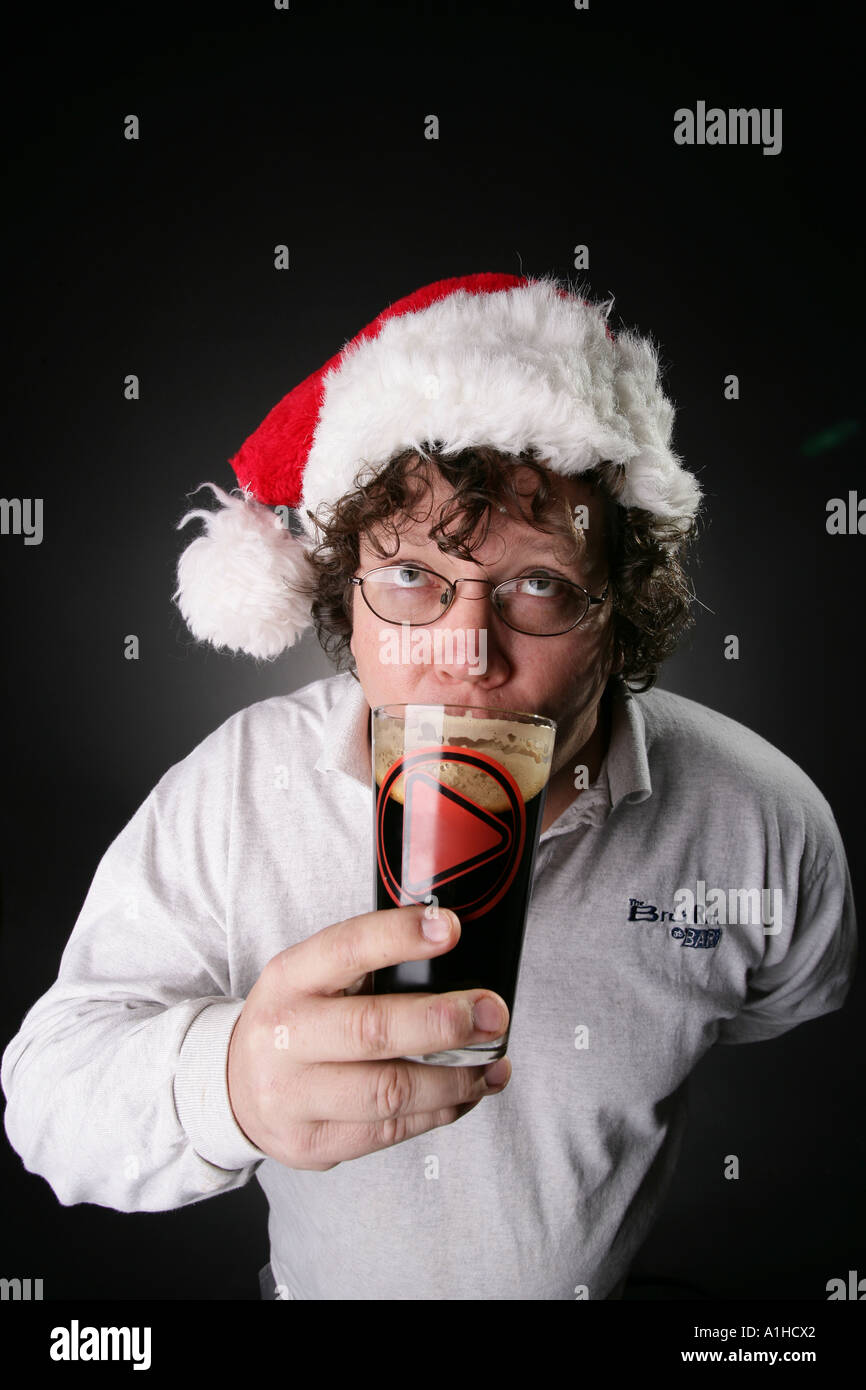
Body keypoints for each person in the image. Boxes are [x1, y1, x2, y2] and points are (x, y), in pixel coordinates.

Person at [1, 273, 856, 1301]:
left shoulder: (760, 820)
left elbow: (787, 996)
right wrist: (225, 1083)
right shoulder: (235, 791)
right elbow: (48, 1099)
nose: (463, 654)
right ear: (345, 602)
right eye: (409, 577)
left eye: (536, 584)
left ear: (617, 613)